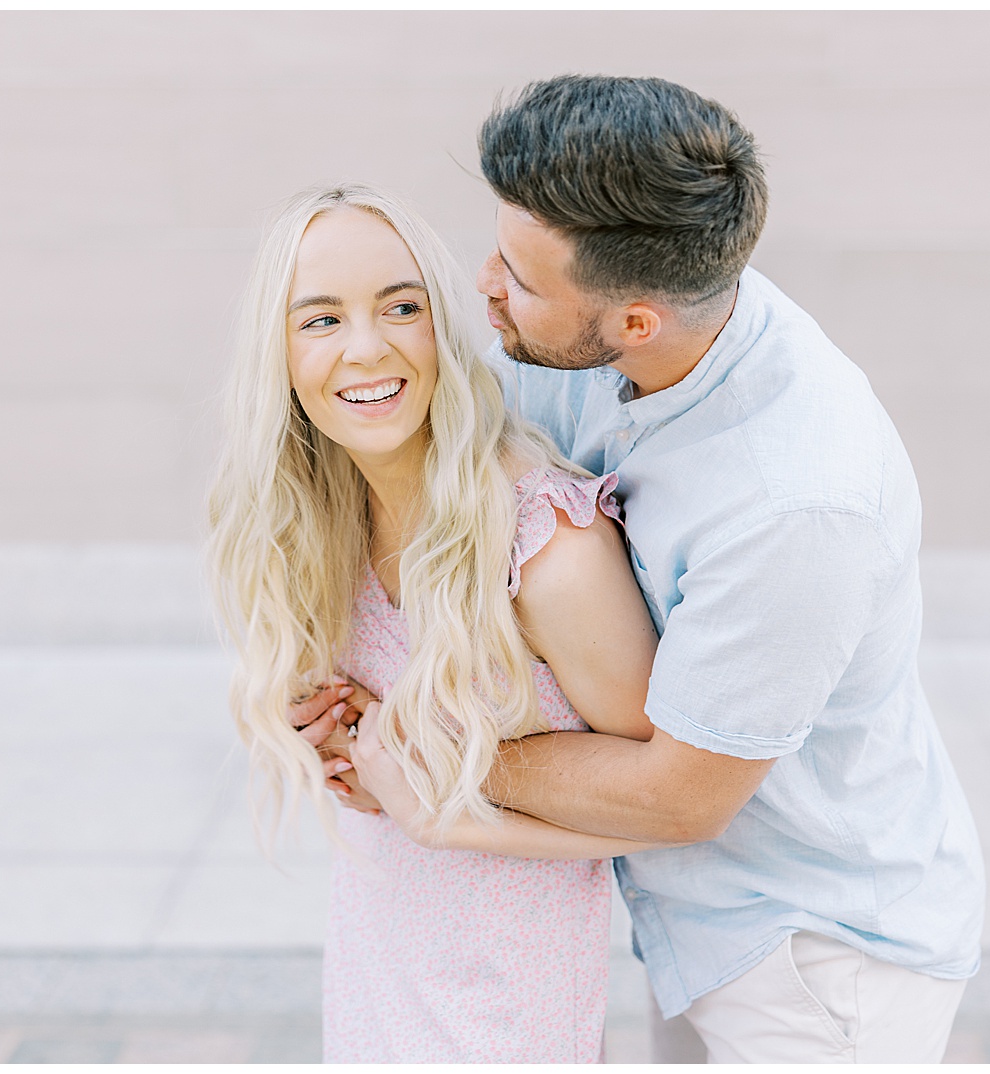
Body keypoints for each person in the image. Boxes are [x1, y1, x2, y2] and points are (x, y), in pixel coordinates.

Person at [381, 74, 986, 1064]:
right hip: (702, 917)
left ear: (636, 323)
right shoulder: (622, 312)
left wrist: (424, 748)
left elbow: (679, 798)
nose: (483, 283)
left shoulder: (796, 502)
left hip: (821, 963)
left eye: (523, 280)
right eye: (498, 248)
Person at [206, 183, 673, 1063]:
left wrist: (441, 812)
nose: (367, 348)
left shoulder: (542, 542)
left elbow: (667, 805)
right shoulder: (330, 519)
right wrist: (344, 737)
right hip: (376, 970)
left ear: (440, 328)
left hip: (504, 1018)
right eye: (320, 320)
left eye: (401, 306)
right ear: (279, 353)